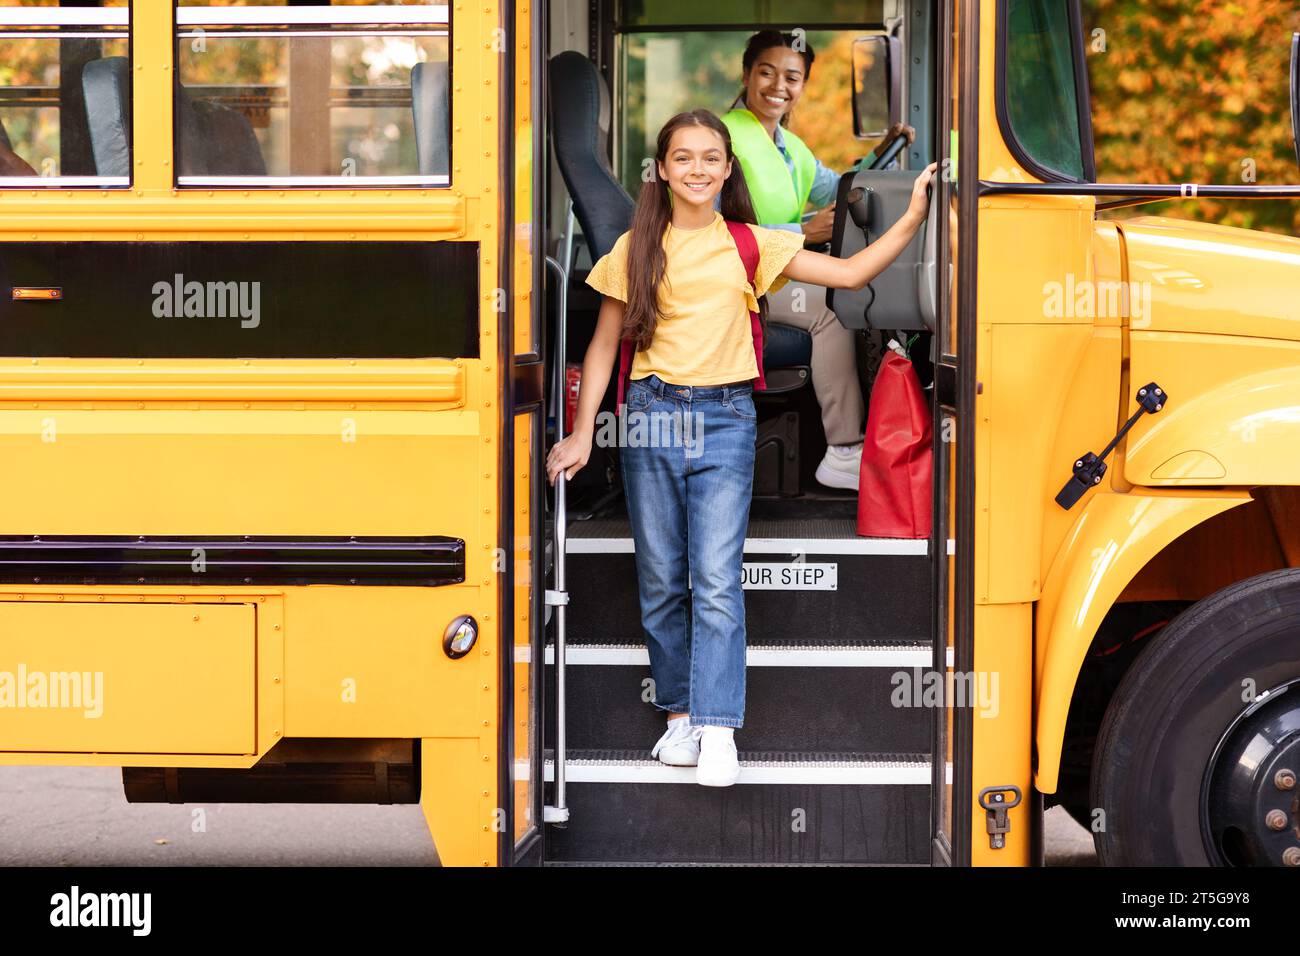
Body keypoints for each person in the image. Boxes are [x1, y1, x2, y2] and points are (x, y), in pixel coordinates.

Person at [546, 107, 935, 787]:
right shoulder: (636, 247)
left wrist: (910, 218)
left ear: (727, 171)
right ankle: (678, 723)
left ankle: (719, 729)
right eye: (683, 158)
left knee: (717, 579)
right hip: (651, 418)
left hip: (726, 419)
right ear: (662, 170)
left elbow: (846, 278)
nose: (697, 169)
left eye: (710, 158)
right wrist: (581, 433)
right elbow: (605, 343)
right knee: (663, 580)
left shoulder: (753, 243)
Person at [721, 30, 913, 490]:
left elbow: (838, 190)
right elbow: (713, 231)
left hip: (776, 274)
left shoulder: (791, 148)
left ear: (803, 86)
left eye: (792, 77)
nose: (778, 86)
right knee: (832, 310)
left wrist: (882, 153)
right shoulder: (721, 137)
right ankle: (844, 450)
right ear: (747, 75)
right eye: (766, 72)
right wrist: (804, 233)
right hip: (736, 284)